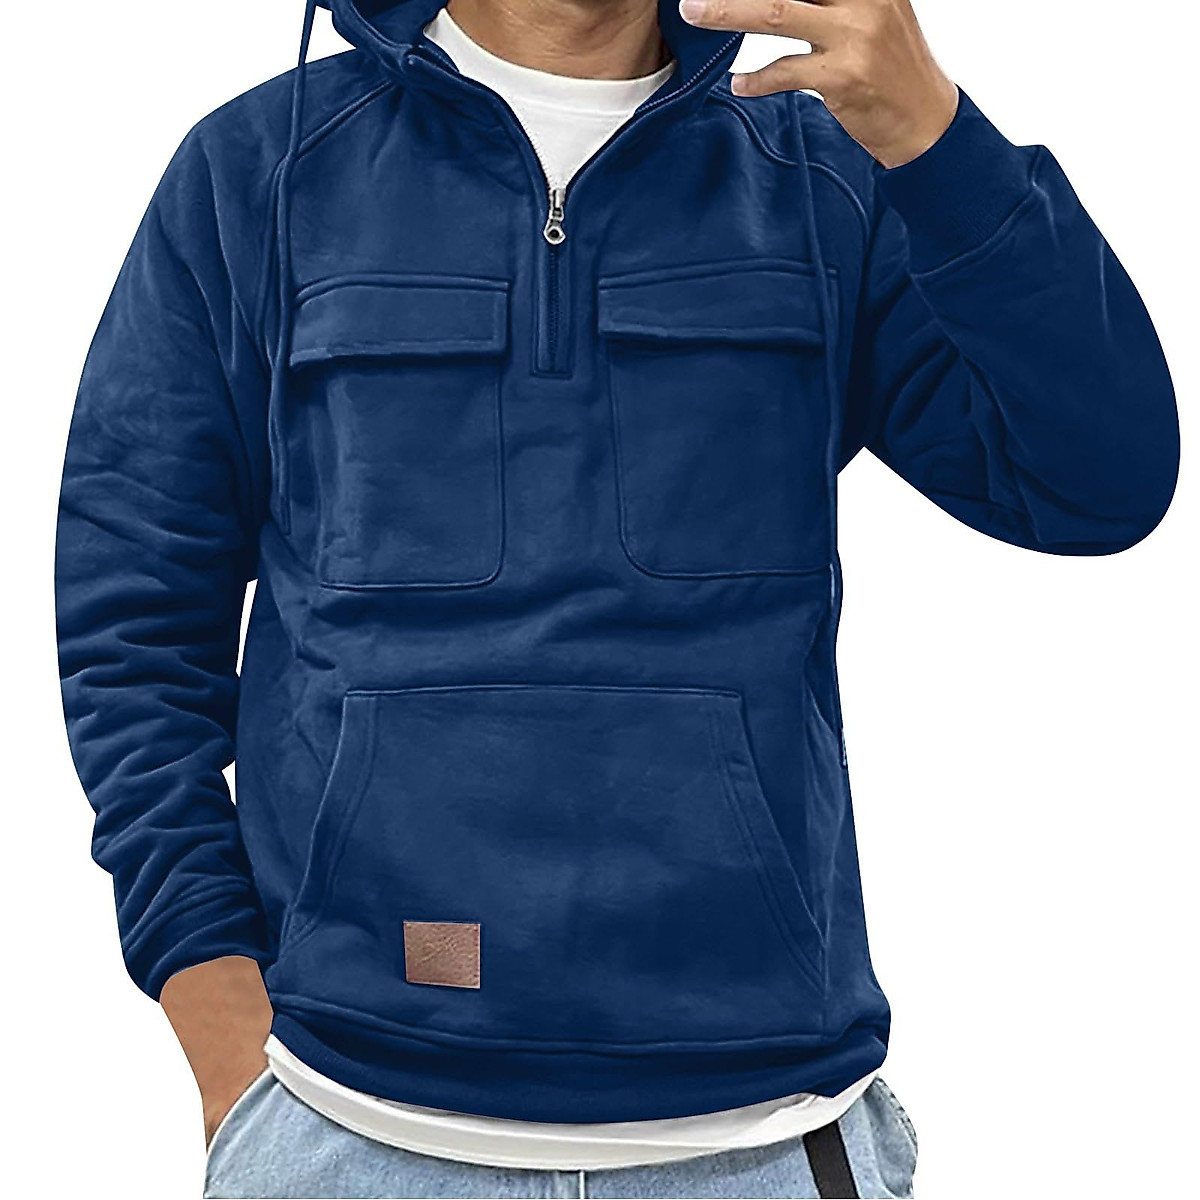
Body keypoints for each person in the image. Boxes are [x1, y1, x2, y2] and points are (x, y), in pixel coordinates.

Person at [55, 0, 1178, 1196]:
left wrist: (936, 141)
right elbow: (131, 621)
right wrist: (215, 1010)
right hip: (347, 1120)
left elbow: (1097, 483)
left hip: (764, 1133)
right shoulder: (257, 171)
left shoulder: (820, 177)